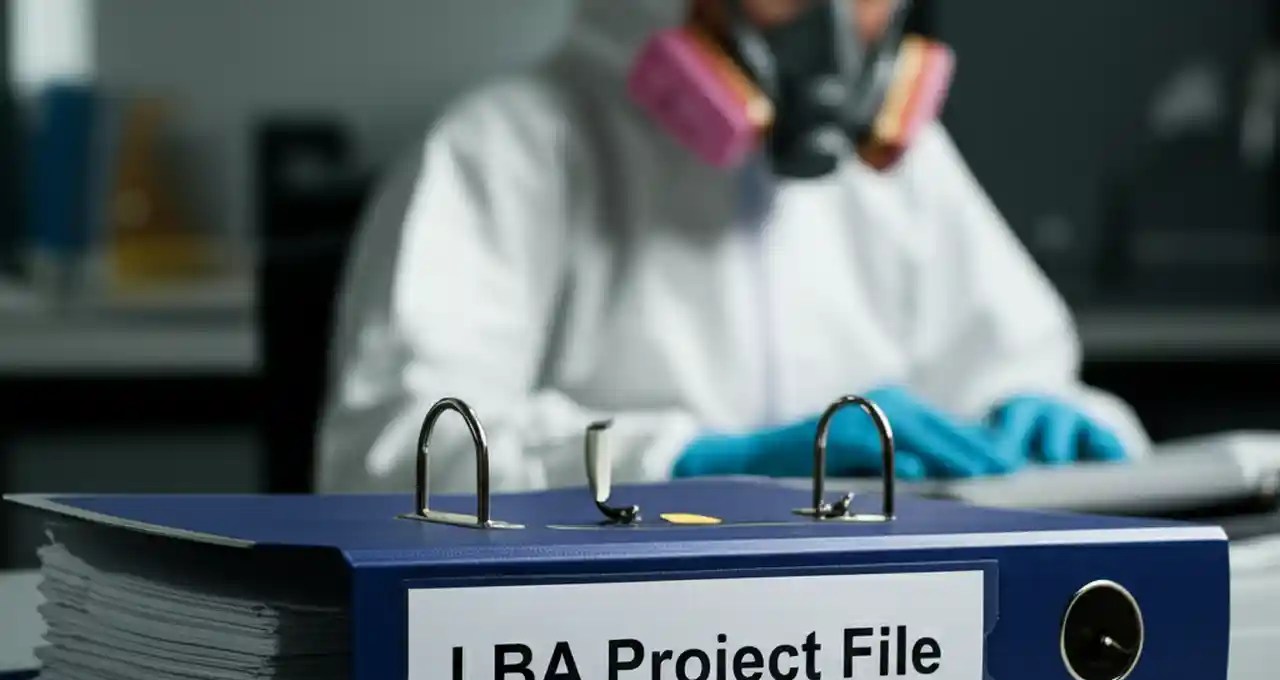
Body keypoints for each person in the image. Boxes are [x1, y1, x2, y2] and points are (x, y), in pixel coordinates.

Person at [315, 0, 1149, 495]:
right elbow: (391, 458)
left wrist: (1063, 426)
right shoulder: (505, 148)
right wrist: (697, 467)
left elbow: (1017, 377)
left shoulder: (905, 171)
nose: (834, 23)